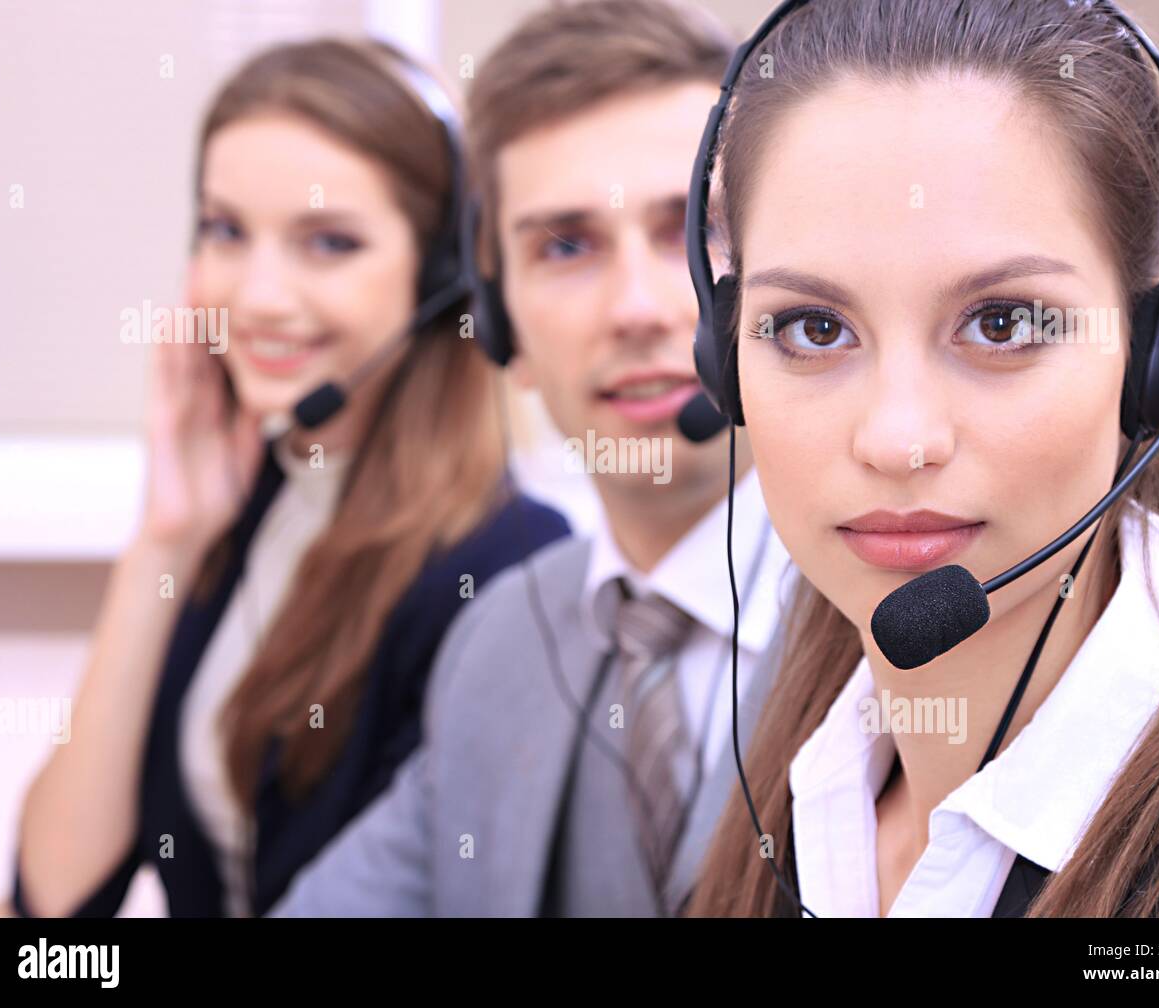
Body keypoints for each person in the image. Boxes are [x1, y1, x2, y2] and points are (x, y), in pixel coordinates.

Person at [687, 0, 1159, 917]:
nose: (898, 438)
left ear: (1150, 356)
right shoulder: (773, 788)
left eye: (1003, 323)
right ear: (724, 363)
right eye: (814, 327)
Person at [11, 38, 568, 918]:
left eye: (328, 243)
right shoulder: (252, 502)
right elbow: (53, 896)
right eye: (226, 230)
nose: (260, 294)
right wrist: (166, 538)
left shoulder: (508, 566)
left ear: (442, 276)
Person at [273, 0, 794, 918]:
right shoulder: (498, 639)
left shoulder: (912, 619)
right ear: (497, 315)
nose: (639, 307)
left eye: (689, 231)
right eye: (565, 245)